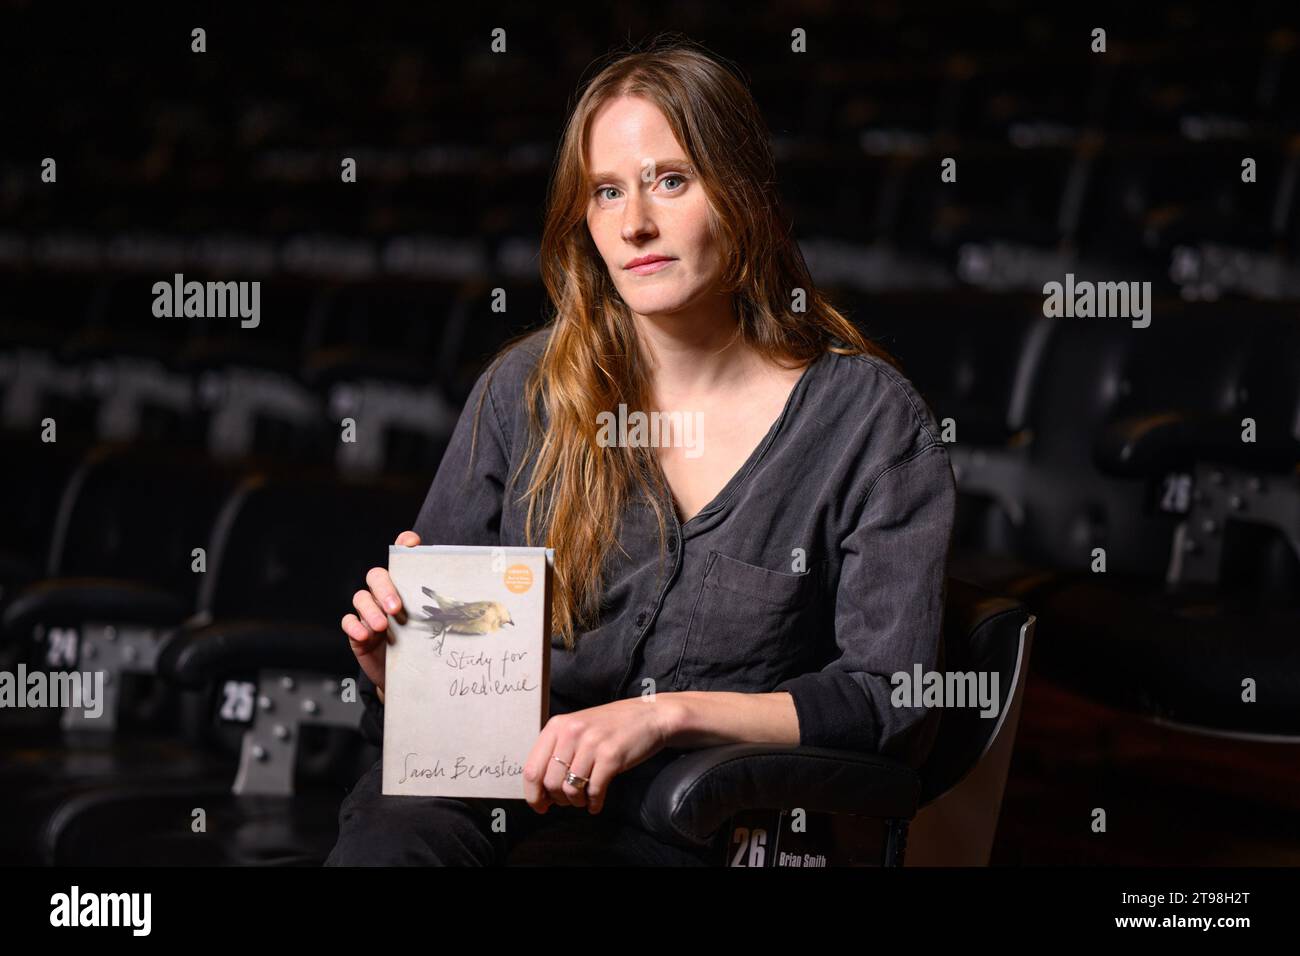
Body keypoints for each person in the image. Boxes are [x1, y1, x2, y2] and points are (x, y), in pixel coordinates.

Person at [325, 35, 956, 866]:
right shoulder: (524, 391)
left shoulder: (867, 420)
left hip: (689, 829)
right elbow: (441, 714)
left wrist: (666, 714)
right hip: (484, 803)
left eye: (671, 180)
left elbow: (890, 699)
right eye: (607, 192)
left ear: (742, 193)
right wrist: (395, 670)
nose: (636, 224)